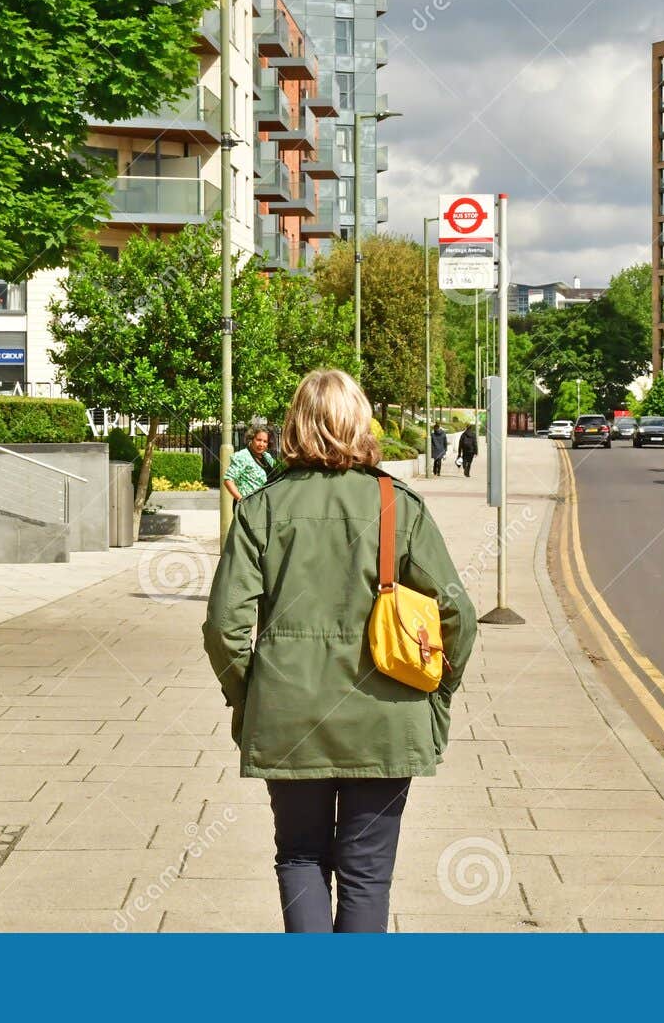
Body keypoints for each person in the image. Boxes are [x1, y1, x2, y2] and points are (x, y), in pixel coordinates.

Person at [202, 369, 478, 933]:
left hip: (290, 714)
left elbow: (223, 627)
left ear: (294, 427)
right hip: (385, 715)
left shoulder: (262, 509)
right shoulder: (398, 505)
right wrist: (437, 694)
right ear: (361, 423)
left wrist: (251, 697)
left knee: (299, 856)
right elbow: (458, 616)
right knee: (367, 873)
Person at [223, 426, 275, 503]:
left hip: (264, 503)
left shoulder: (267, 457)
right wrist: (241, 500)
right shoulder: (242, 456)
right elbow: (228, 480)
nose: (261, 444)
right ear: (251, 439)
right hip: (248, 505)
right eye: (258, 440)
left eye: (265, 441)